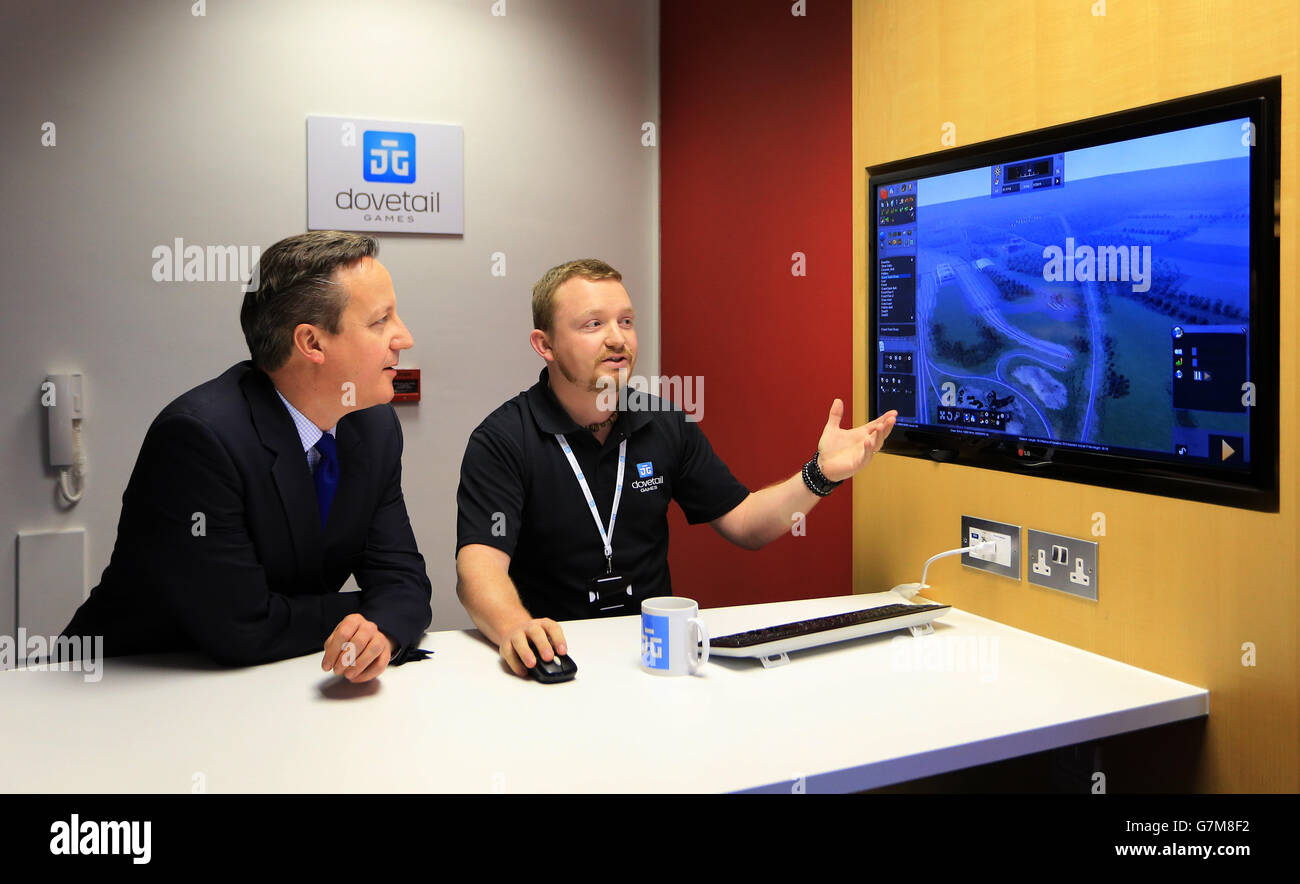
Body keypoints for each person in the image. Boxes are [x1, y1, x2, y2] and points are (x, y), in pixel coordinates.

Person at [455, 258, 896, 677]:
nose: (617, 339)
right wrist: (516, 627)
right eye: (594, 324)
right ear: (544, 344)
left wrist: (820, 474)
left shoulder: (665, 424)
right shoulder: (502, 440)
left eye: (625, 321)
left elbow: (745, 523)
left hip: (653, 654)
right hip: (556, 655)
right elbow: (478, 572)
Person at [61, 231, 432, 682]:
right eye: (380, 321)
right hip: (129, 684)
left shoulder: (372, 427)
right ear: (311, 343)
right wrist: (368, 613)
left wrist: (382, 631)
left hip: (267, 682)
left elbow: (403, 579)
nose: (404, 337)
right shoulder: (199, 439)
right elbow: (241, 626)